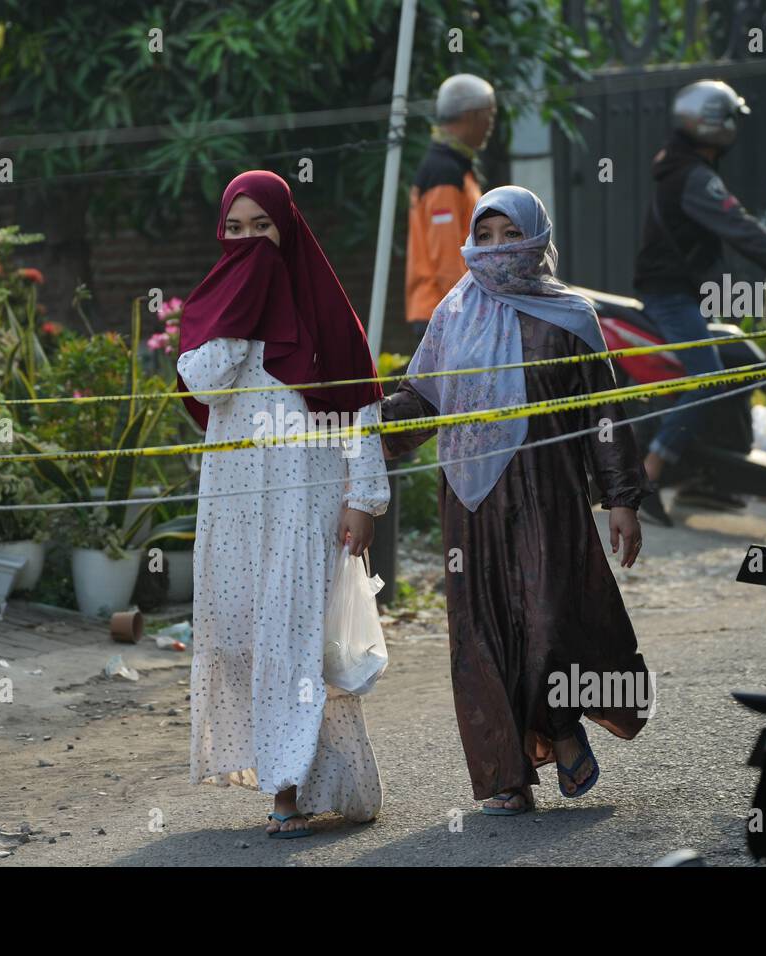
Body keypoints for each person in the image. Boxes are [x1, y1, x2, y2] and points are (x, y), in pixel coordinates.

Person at [383, 185, 653, 813]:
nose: (499, 249)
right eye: (486, 236)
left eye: (512, 235)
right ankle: (504, 775)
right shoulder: (452, 315)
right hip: (470, 504)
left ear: (539, 239)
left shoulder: (574, 317)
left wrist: (621, 497)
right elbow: (423, 400)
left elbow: (603, 415)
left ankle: (559, 728)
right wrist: (364, 426)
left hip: (549, 496)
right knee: (479, 633)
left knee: (548, 618)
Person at [177, 170, 391, 838]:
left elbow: (361, 407)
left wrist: (363, 498)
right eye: (234, 231)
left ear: (288, 229)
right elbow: (203, 383)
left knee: (294, 636)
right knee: (239, 634)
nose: (248, 244)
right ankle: (304, 774)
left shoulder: (324, 309)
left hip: (309, 500)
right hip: (236, 502)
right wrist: (239, 315)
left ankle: (289, 789)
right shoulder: (219, 317)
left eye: (262, 229)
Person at [633, 79, 766, 525]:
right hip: (670, 296)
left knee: (734, 362)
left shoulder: (681, 167)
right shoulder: (694, 177)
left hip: (677, 292)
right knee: (706, 377)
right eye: (731, 118)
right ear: (715, 123)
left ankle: (703, 479)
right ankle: (647, 475)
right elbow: (743, 230)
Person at [406, 73, 497, 341]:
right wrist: (470, 313)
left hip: (451, 309)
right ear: (471, 115)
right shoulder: (444, 172)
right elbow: (446, 258)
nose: (490, 125)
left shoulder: (454, 166)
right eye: (488, 116)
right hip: (446, 313)